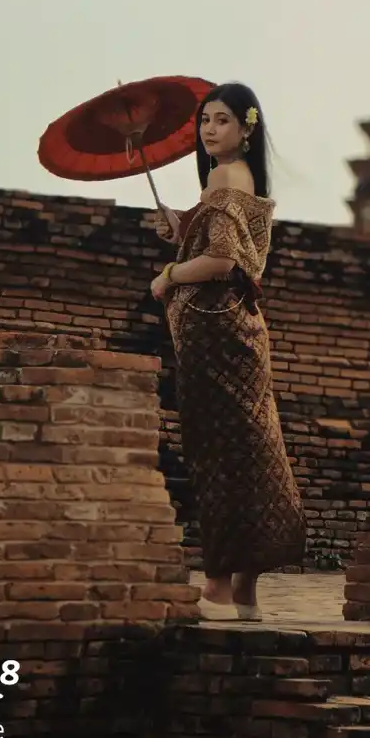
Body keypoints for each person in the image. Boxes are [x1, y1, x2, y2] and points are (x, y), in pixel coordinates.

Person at [149, 82, 305, 621]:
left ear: (246, 127)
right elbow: (226, 246)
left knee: (217, 452)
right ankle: (244, 591)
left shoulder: (224, 176)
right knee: (253, 451)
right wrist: (182, 227)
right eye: (204, 121)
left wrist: (168, 274)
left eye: (220, 120)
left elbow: (219, 263)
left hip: (214, 333)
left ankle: (218, 580)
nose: (208, 130)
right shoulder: (244, 180)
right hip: (239, 328)